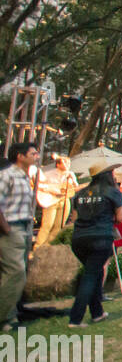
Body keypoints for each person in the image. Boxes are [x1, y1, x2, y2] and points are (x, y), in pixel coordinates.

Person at [67, 160, 122, 327]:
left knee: (94, 273)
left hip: (79, 239)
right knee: (90, 276)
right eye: (112, 173)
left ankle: (97, 313)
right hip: (101, 236)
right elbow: (120, 218)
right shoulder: (113, 193)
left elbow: (74, 218)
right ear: (107, 175)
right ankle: (75, 318)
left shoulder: (80, 194)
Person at [0, 142, 40, 331]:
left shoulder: (25, 177)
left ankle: (10, 316)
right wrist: (6, 227)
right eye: (33, 153)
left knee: (19, 272)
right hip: (12, 228)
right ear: (20, 156)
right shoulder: (7, 175)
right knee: (15, 272)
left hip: (24, 227)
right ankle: (3, 316)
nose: (37, 157)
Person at [35, 155, 78, 248]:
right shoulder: (48, 174)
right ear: (58, 164)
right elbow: (39, 185)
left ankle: (48, 246)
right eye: (65, 163)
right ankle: (38, 247)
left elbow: (75, 187)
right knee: (47, 225)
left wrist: (73, 180)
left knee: (59, 226)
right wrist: (52, 190)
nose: (68, 165)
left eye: (69, 163)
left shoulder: (70, 174)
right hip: (51, 200)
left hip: (64, 200)